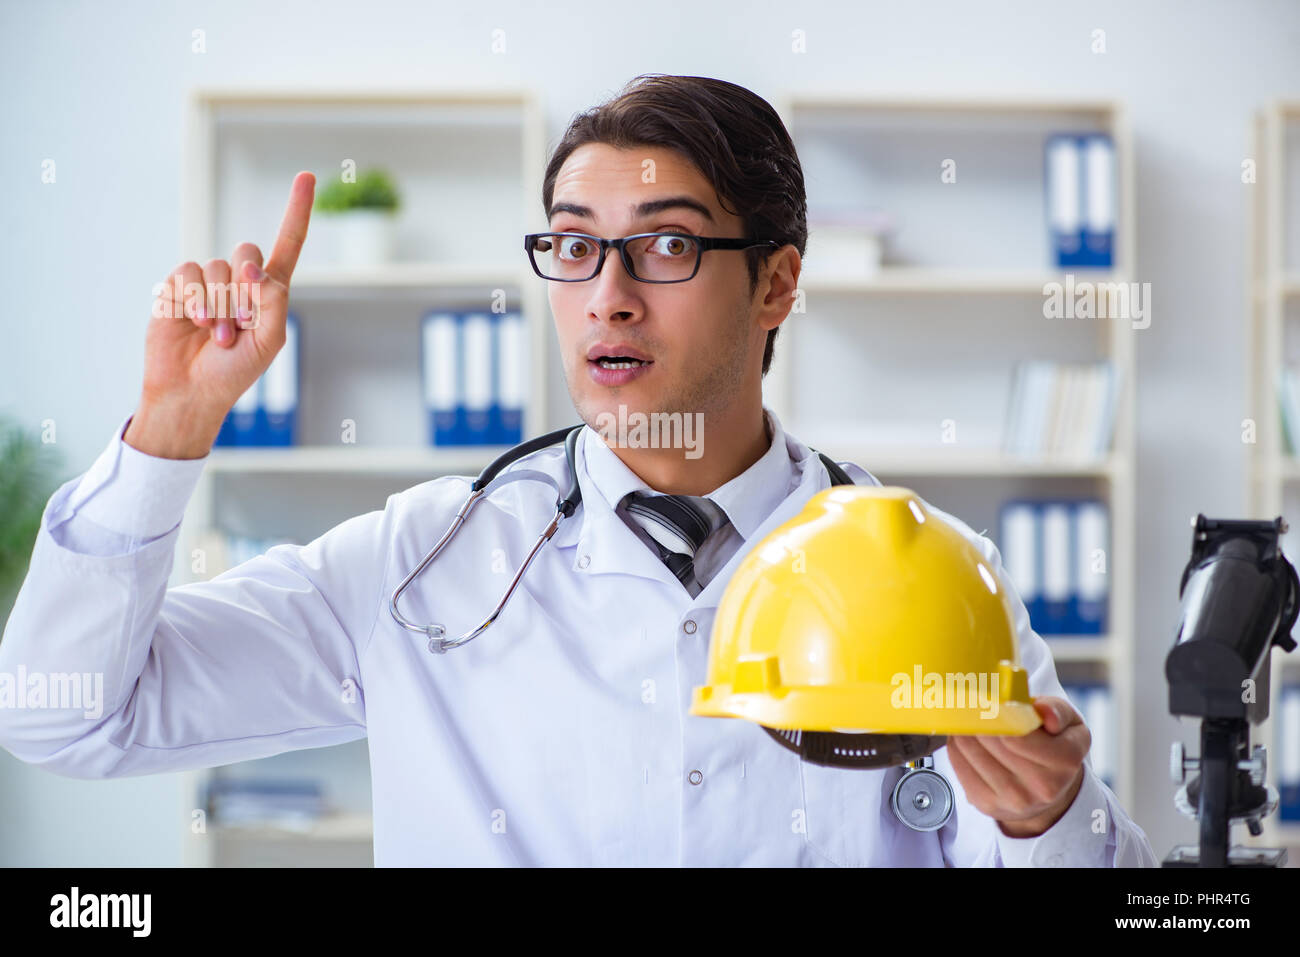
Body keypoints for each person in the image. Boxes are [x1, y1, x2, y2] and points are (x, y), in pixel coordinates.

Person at [0, 74, 1156, 867]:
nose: (606, 290)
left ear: (776, 284)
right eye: (572, 242)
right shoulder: (419, 562)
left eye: (665, 242)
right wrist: (168, 434)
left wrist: (1046, 814)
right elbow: (65, 723)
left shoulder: (936, 580)